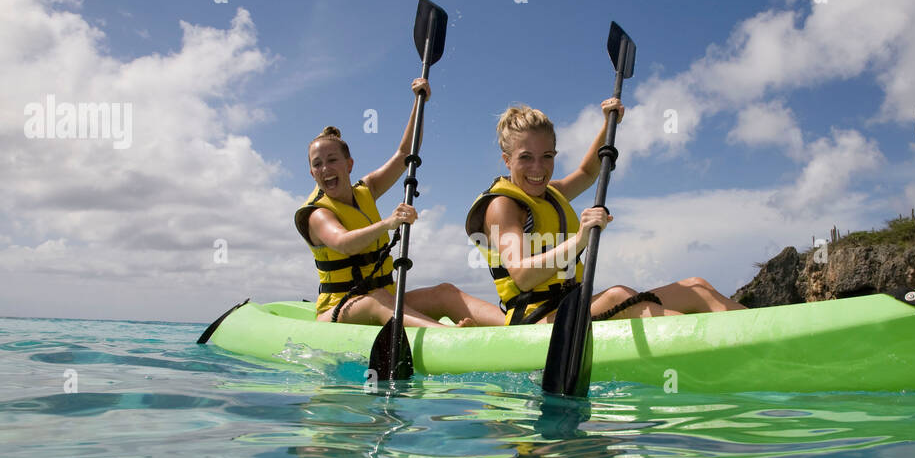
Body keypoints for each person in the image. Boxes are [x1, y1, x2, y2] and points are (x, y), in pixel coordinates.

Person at [465, 98, 746, 325]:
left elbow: (588, 172)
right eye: (526, 157)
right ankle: (724, 345)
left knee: (697, 287)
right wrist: (579, 241)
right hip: (534, 321)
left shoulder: (551, 193)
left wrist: (608, 125)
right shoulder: (502, 206)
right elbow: (522, 276)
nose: (538, 169)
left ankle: (766, 334)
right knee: (618, 296)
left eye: (547, 156)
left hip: (571, 307)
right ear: (506, 160)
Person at [297, 78, 505, 327]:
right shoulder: (317, 214)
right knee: (377, 298)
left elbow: (405, 155)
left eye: (332, 160)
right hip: (340, 311)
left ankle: (514, 329)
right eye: (317, 164)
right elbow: (344, 244)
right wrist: (389, 223)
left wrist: (420, 103)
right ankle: (451, 338)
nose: (325, 169)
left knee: (444, 291)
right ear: (311, 173)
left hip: (386, 301)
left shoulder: (366, 190)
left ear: (348, 164)